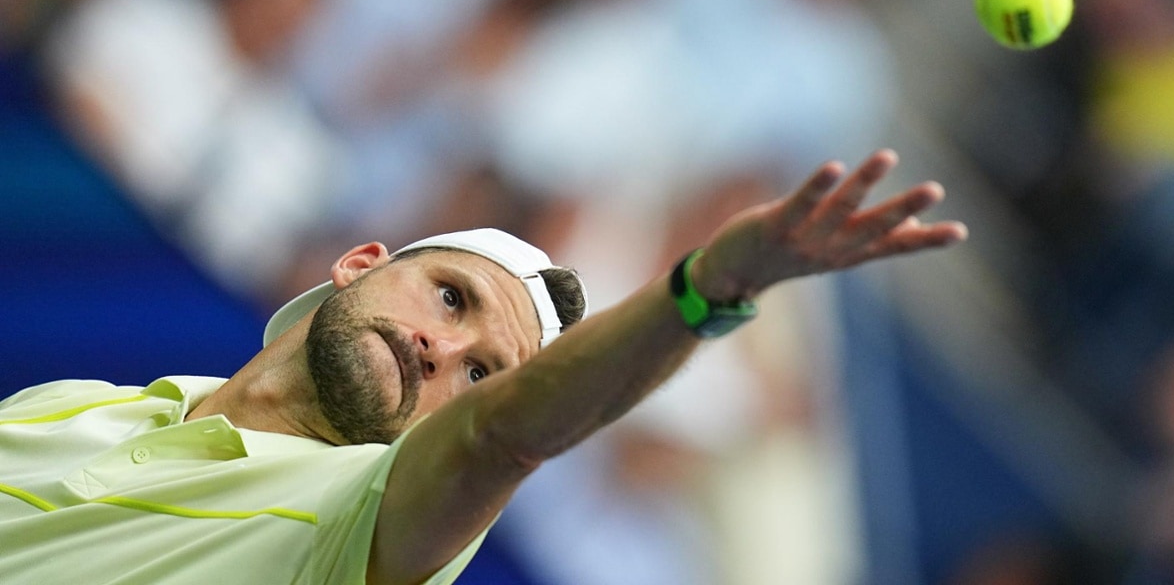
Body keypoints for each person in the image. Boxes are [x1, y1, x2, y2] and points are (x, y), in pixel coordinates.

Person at [0, 150, 966, 584]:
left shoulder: (354, 527)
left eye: (478, 376)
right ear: (359, 263)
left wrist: (708, 288)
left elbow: (499, 440)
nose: (444, 348)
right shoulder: (78, 404)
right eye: (450, 298)